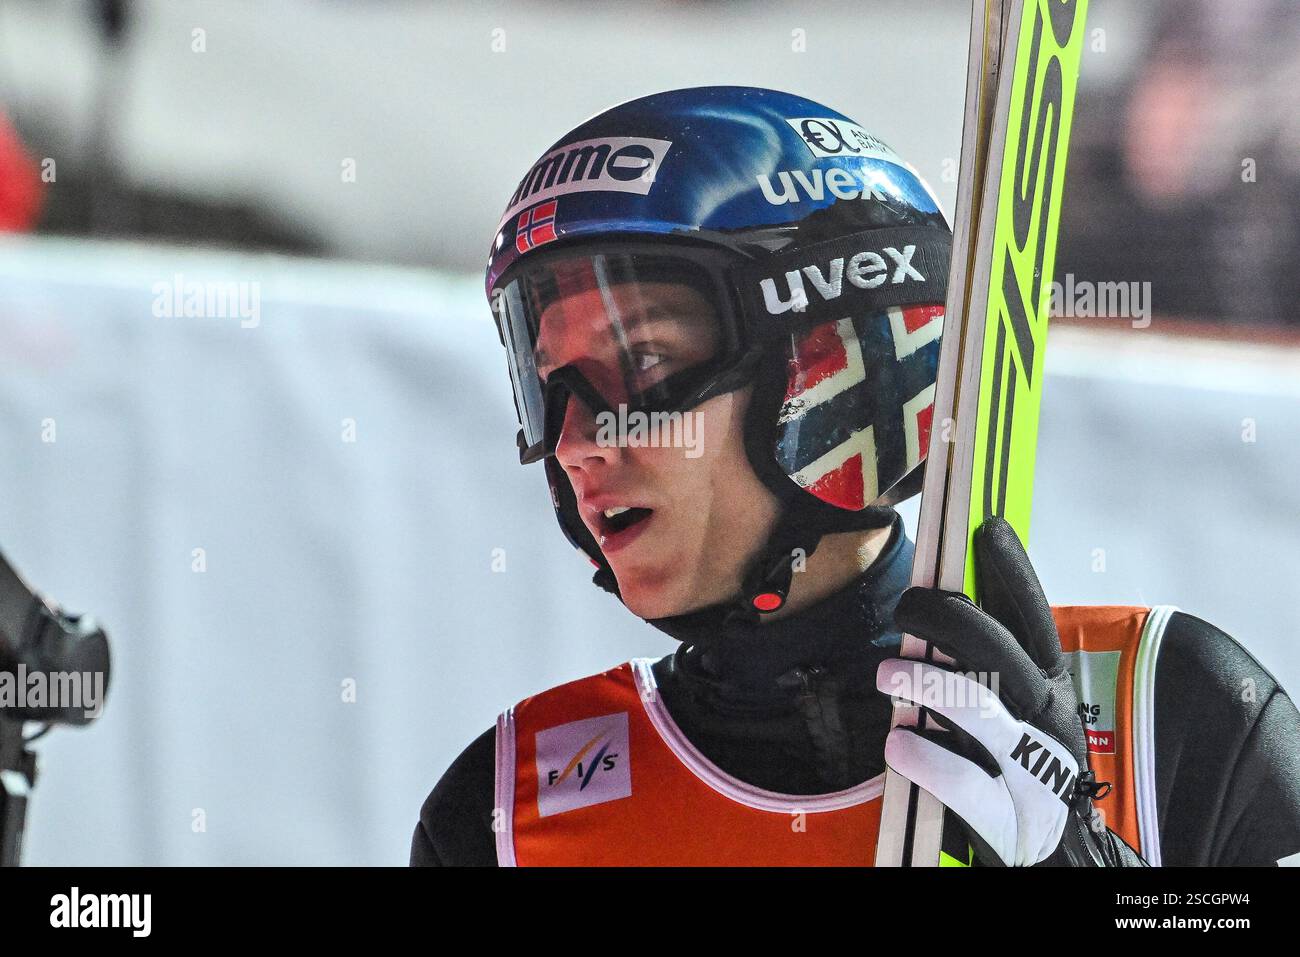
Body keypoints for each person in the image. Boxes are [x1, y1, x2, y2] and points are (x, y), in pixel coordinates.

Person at [411, 86, 1300, 866]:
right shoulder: (504, 818)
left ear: (831, 364)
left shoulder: (1169, 712)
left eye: (639, 360)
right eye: (548, 387)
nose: (576, 442)